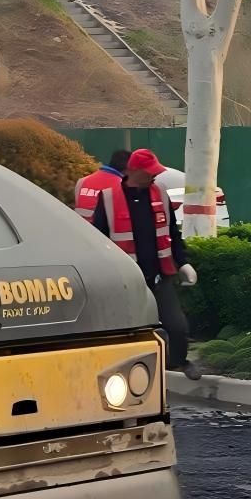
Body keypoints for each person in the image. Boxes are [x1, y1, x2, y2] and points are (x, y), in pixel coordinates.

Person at [88, 147, 197, 369]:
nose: (153, 175)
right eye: (149, 172)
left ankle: (177, 364)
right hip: (127, 280)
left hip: (160, 276)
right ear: (133, 171)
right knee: (130, 331)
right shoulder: (108, 199)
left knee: (177, 326)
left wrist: (183, 262)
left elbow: (172, 233)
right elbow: (98, 240)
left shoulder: (160, 195)